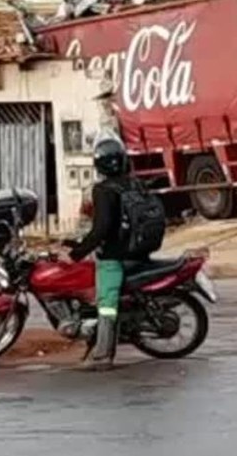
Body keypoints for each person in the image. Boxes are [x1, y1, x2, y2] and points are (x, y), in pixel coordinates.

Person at [65, 138, 165, 370]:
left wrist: (76, 254)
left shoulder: (103, 190)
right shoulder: (134, 184)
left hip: (113, 258)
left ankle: (103, 357)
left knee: (107, 304)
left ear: (98, 165)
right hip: (139, 251)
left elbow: (101, 229)